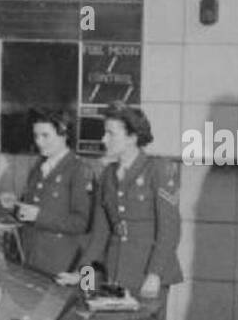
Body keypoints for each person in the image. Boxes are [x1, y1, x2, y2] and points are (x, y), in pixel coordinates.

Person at [58, 103, 182, 302]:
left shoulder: (158, 170)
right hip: (115, 274)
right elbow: (99, 234)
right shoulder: (107, 175)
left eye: (110, 134)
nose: (103, 139)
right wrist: (83, 275)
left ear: (132, 138)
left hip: (147, 277)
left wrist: (154, 275)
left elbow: (169, 231)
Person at [5, 108, 96, 277]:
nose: (39, 142)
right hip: (30, 257)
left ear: (64, 134)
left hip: (60, 263)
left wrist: (39, 216)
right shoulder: (39, 167)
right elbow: (31, 208)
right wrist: (15, 205)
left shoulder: (79, 170)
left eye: (45, 136)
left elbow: (82, 223)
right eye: (36, 136)